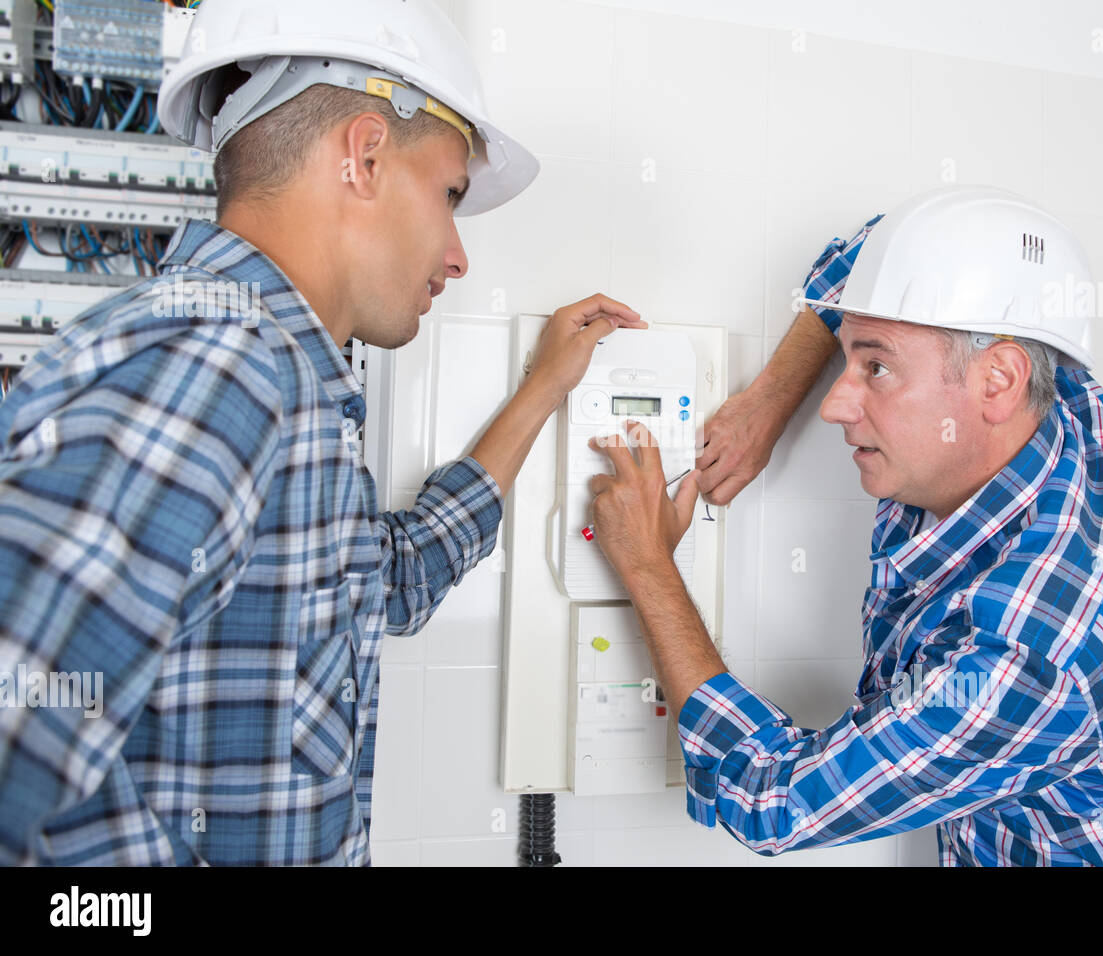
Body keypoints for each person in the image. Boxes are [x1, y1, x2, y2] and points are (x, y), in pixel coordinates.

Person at [0, 0, 643, 864]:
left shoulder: (284, 385)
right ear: (366, 154)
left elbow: (389, 583)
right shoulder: (213, 366)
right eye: (449, 195)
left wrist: (541, 392)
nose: (457, 255)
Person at [589, 185, 1103, 864]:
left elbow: (770, 799)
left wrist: (650, 566)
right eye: (849, 356)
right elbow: (868, 258)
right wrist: (770, 402)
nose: (837, 405)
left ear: (997, 381)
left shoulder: (1037, 652)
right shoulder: (1055, 392)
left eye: (876, 368)